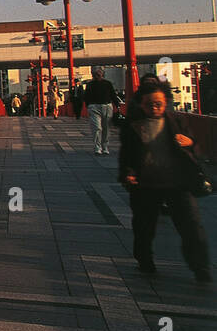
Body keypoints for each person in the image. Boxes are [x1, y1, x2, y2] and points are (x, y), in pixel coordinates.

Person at [118, 77, 210, 283]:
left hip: (178, 184)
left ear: (165, 102)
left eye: (158, 103)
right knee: (144, 227)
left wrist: (190, 142)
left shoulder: (176, 121)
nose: (154, 107)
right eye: (149, 104)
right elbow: (126, 156)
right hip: (145, 185)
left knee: (192, 227)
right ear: (141, 104)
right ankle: (145, 260)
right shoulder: (133, 126)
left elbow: (195, 149)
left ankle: (201, 267)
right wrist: (128, 173)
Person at [84, 67, 118, 155]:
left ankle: (105, 147)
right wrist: (89, 105)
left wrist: (117, 105)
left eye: (99, 74)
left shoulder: (108, 84)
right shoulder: (90, 84)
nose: (97, 75)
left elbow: (113, 95)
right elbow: (86, 96)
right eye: (96, 74)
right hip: (94, 107)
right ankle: (97, 148)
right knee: (97, 128)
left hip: (106, 106)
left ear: (102, 74)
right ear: (93, 75)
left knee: (106, 128)